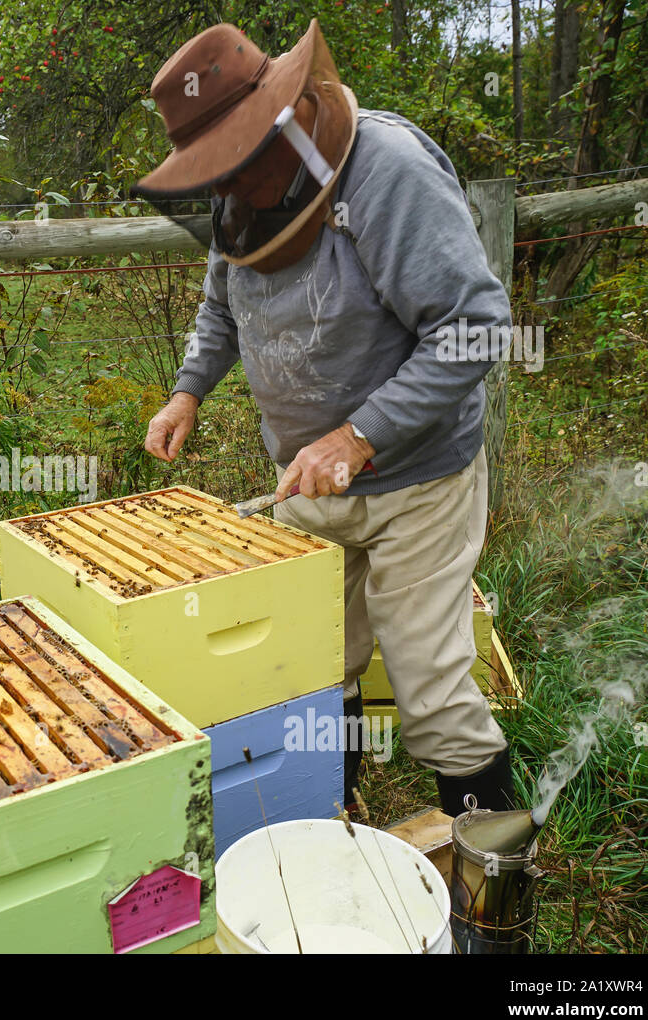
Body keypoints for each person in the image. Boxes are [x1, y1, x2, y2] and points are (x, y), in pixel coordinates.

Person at [138, 20, 517, 816]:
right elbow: (222, 307)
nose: (226, 188)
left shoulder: (390, 172)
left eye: (235, 165)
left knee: (431, 690)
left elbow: (477, 327)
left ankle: (494, 905)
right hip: (309, 478)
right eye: (213, 174)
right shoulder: (241, 199)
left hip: (417, 480)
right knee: (310, 668)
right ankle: (328, 834)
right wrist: (188, 390)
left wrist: (360, 435)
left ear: (288, 117)